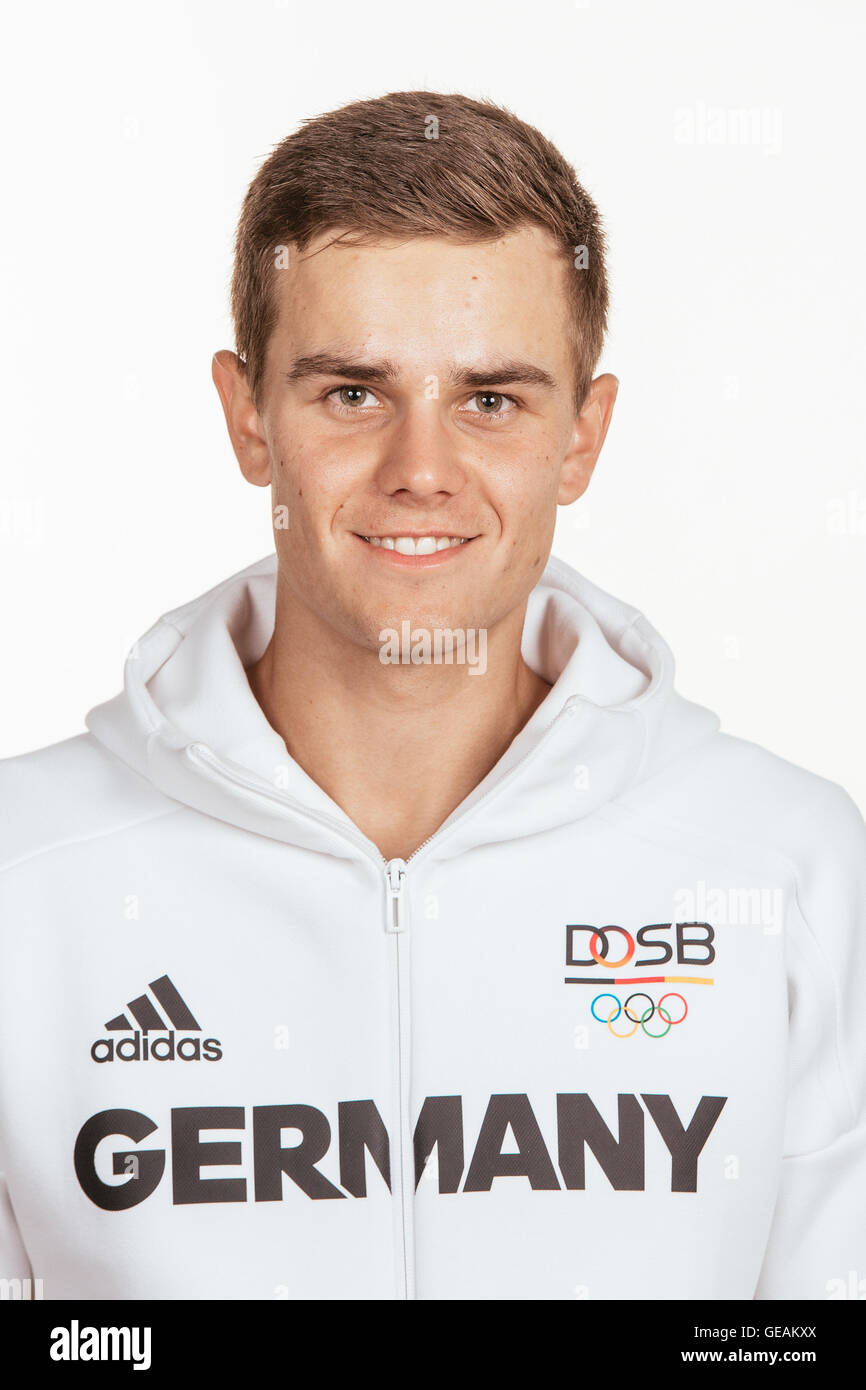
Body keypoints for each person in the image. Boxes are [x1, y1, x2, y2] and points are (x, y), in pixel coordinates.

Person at [0, 89, 863, 1302]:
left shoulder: (791, 871)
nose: (421, 471)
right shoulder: (26, 884)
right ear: (247, 415)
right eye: (352, 393)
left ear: (581, 434)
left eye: (490, 399)